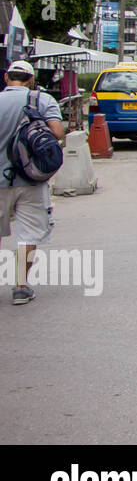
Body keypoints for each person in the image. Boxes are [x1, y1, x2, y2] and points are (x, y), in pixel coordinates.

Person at [0, 60, 65, 305]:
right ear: (30, 80)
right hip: (30, 179)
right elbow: (57, 133)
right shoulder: (41, 100)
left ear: (7, 78)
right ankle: (20, 287)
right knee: (27, 236)